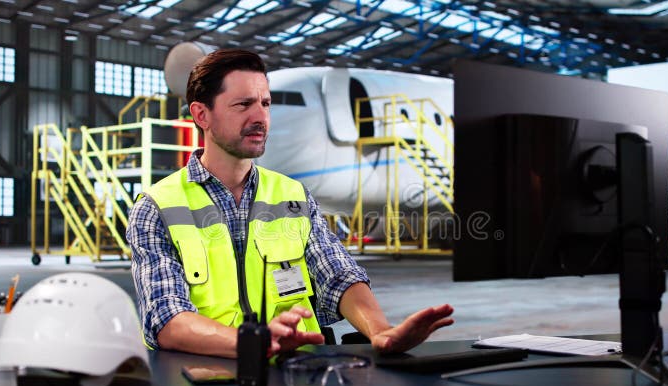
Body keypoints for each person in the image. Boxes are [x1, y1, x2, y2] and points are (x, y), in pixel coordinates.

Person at [127, 49, 454, 358]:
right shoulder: (158, 207)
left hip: (297, 379)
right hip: (207, 384)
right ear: (202, 115)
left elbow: (338, 274)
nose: (261, 117)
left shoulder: (293, 195)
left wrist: (380, 330)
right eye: (243, 105)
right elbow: (166, 318)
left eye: (266, 103)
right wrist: (257, 343)